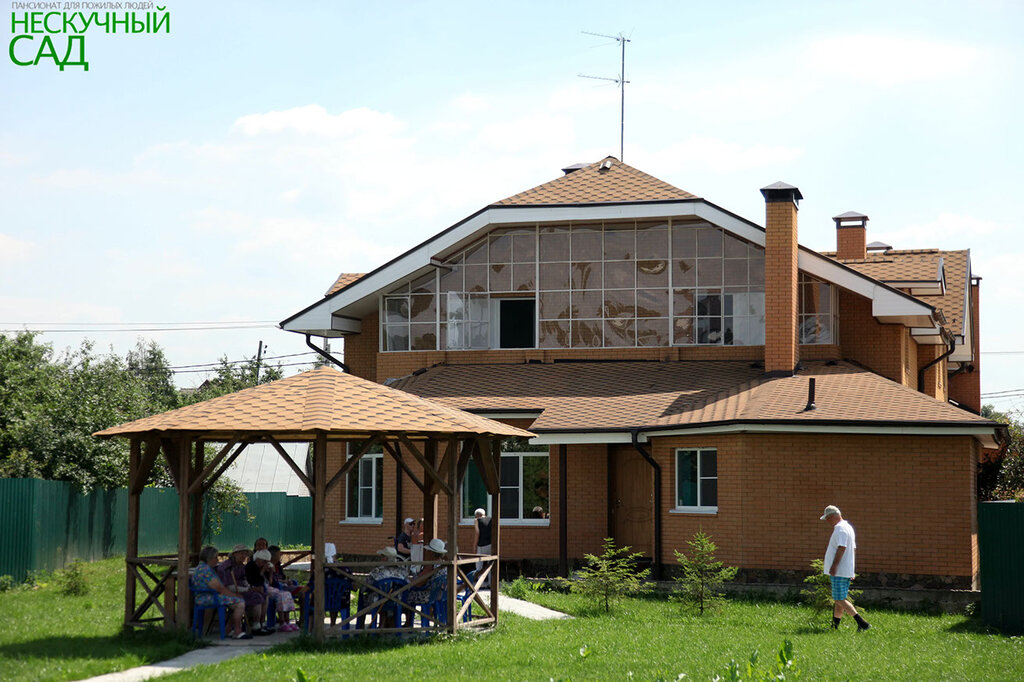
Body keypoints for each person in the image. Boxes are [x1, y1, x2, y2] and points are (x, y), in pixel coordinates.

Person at [820, 505, 871, 631]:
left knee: (839, 599)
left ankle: (862, 623)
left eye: (827, 518)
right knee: (839, 599)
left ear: (832, 516)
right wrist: (851, 569)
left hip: (839, 570)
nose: (827, 521)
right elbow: (853, 549)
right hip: (845, 570)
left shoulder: (840, 529)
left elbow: (842, 547)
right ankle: (835, 626)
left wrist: (834, 566)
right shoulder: (848, 527)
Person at [191, 545, 249, 639]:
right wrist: (235, 595)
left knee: (236, 603)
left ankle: (229, 629)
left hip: (205, 596)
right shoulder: (205, 570)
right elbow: (220, 588)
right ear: (209, 558)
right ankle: (237, 631)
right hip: (207, 598)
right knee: (240, 602)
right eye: (215, 557)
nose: (217, 560)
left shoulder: (202, 567)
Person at [217, 543, 265, 635]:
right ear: (235, 554)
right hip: (227, 593)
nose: (244, 556)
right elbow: (227, 586)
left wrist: (250, 588)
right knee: (245, 600)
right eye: (242, 554)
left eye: (245, 554)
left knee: (259, 595)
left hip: (240, 591)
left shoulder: (241, 566)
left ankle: (256, 624)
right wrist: (247, 590)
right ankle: (231, 627)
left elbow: (244, 580)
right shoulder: (226, 567)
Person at [473, 508, 492, 588]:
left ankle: (480, 584)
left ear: (477, 515)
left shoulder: (477, 520)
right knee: (490, 564)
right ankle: (491, 584)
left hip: (481, 545)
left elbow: (477, 533)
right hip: (491, 545)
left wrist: (474, 545)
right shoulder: (491, 519)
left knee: (479, 565)